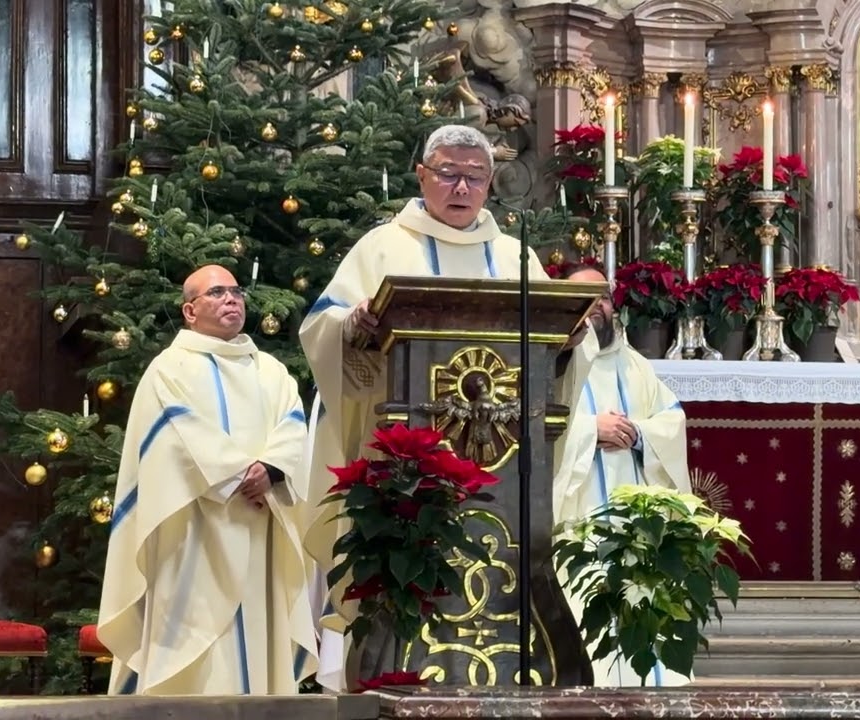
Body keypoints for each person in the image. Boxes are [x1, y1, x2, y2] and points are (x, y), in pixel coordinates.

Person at [299, 124, 594, 691]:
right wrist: (354, 325)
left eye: (474, 177)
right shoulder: (383, 247)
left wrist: (567, 345)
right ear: (423, 177)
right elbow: (322, 328)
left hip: (503, 464)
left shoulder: (513, 254)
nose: (461, 187)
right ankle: (396, 672)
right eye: (448, 174)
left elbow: (547, 353)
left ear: (490, 182)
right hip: (410, 458)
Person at [97, 264, 318, 695]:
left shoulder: (270, 370)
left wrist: (270, 470)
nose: (232, 299)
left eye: (236, 291)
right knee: (194, 647)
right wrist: (240, 474)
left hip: (260, 526)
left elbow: (293, 425)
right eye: (216, 293)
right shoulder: (169, 370)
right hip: (194, 533)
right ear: (190, 311)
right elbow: (178, 434)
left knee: (259, 638)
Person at [550, 263, 692, 687]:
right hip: (577, 520)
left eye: (603, 298)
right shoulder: (551, 358)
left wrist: (638, 435)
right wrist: (591, 429)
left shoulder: (635, 365)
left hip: (634, 526)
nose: (596, 307)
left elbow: (672, 420)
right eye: (583, 299)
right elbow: (528, 422)